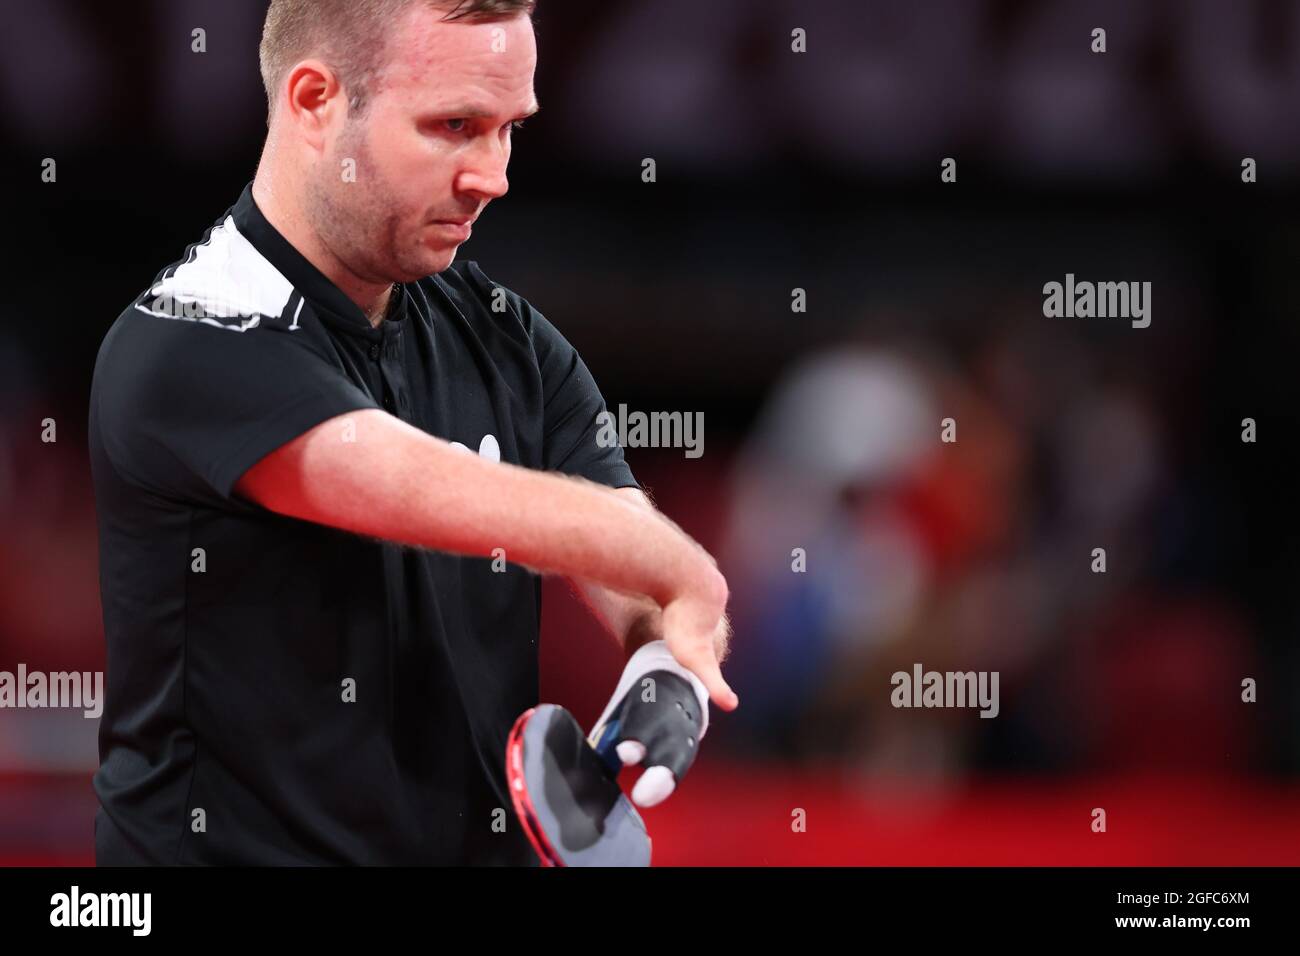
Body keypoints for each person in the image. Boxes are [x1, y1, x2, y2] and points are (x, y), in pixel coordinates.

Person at [87, 0, 735, 865]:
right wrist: (688, 570)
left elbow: (640, 572)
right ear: (315, 101)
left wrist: (667, 666)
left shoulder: (506, 337)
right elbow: (407, 483)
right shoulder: (184, 340)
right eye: (455, 126)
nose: (492, 176)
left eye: (509, 129)